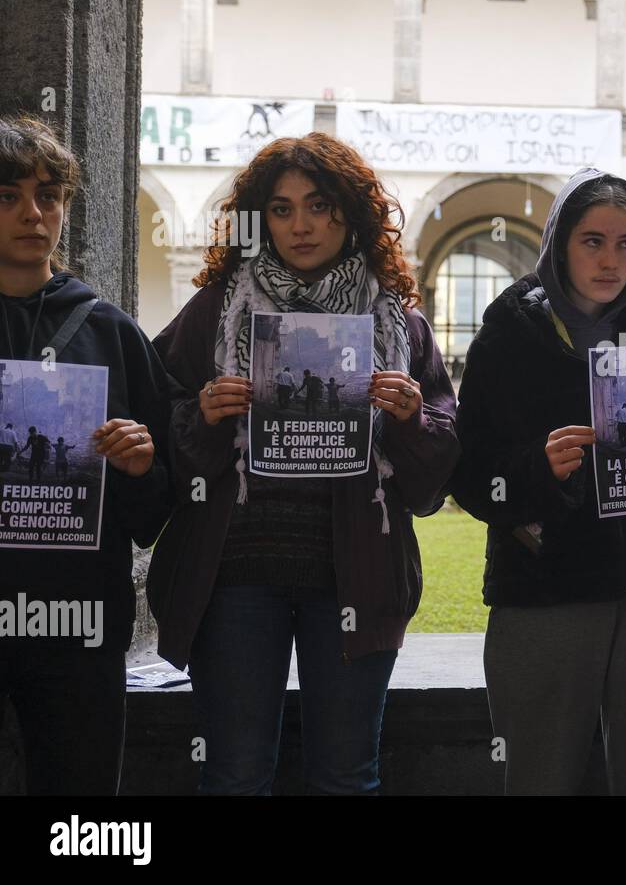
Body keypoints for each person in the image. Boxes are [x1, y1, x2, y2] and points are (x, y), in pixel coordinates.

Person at [147, 132, 460, 795]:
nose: (301, 225)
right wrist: (200, 414)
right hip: (233, 576)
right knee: (233, 775)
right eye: (282, 209)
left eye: (319, 206)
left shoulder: (398, 323)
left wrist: (408, 421)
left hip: (356, 574)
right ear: (258, 220)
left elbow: (434, 477)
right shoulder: (213, 311)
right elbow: (153, 437)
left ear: (350, 212)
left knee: (346, 777)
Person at [450, 167, 626, 795]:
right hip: (547, 591)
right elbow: (471, 480)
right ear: (558, 244)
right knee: (539, 776)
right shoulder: (505, 340)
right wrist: (536, 470)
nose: (611, 259)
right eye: (593, 242)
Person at [0, 114, 173, 795]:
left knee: (81, 803)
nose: (32, 213)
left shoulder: (109, 332)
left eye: (49, 195)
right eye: (7, 196)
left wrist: (138, 466)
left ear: (67, 207)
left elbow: (154, 509)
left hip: (77, 619)